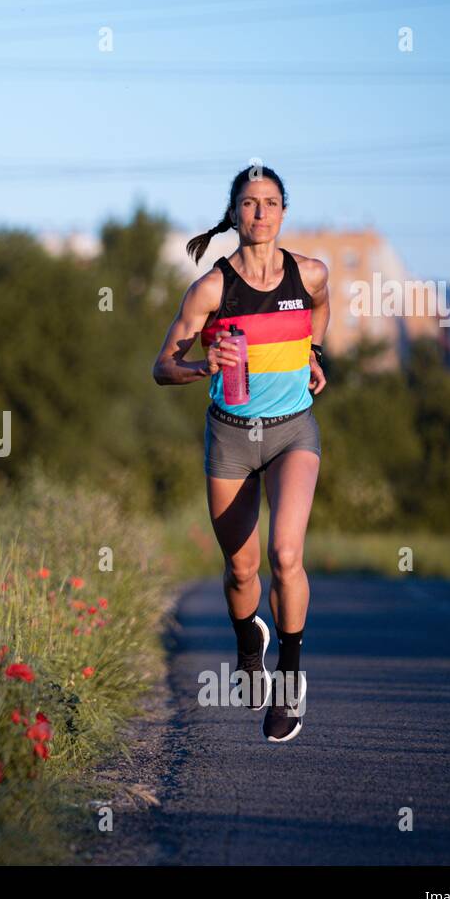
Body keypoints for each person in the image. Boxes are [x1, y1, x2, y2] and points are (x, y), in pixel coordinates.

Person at [151, 165, 329, 742]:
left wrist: (315, 352)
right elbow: (162, 366)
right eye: (248, 204)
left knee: (285, 555)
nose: (259, 213)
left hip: (291, 432)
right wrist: (203, 366)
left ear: (283, 212)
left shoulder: (310, 274)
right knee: (241, 568)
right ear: (234, 213)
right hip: (230, 434)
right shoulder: (211, 288)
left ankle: (289, 679)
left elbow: (320, 308)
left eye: (270, 203)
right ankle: (247, 643)